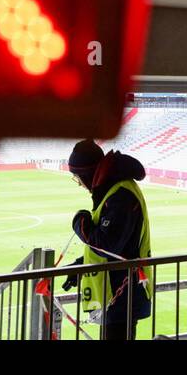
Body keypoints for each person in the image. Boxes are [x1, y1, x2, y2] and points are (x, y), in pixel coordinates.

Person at [62, 140, 152, 340]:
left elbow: (106, 245)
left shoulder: (121, 194)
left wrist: (80, 220)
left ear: (87, 173)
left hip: (122, 294)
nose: (80, 183)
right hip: (115, 294)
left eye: (78, 177)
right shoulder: (113, 191)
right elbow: (113, 245)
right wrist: (82, 266)